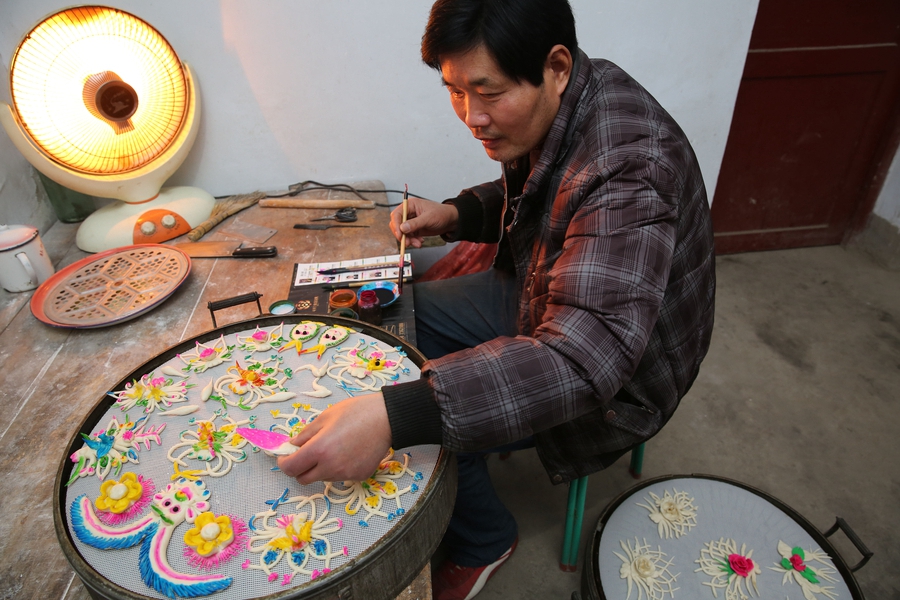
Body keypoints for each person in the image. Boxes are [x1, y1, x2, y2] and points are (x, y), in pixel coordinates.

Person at [279, 0, 716, 598]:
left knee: (420, 408)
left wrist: (397, 417)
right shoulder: (573, 98)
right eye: (455, 91)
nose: (472, 117)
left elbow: (585, 359)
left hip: (622, 371)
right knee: (396, 329)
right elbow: (548, 189)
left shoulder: (630, 168)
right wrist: (457, 214)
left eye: (487, 92)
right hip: (546, 289)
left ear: (556, 67)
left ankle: (484, 538)